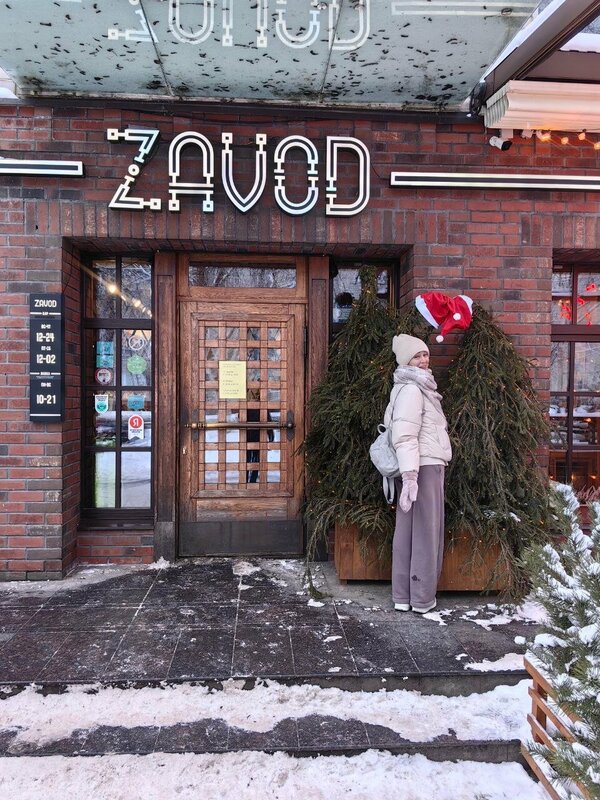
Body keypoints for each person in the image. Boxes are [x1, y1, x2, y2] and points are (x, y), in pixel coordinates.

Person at [384, 334, 452, 614]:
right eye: (416, 356)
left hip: (417, 466)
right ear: (406, 360)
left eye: (425, 354)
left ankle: (403, 595)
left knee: (409, 531)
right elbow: (405, 436)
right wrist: (411, 476)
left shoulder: (412, 387)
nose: (423, 360)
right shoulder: (413, 390)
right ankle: (422, 598)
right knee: (426, 532)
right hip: (423, 467)